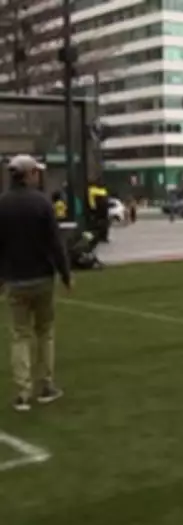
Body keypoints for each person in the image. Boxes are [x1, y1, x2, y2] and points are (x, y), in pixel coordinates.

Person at [0, 154, 72, 412]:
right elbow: (55, 244)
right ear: (29, 174)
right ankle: (46, 385)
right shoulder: (41, 203)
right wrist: (65, 274)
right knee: (45, 332)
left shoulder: (3, 204)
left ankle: (22, 391)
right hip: (41, 277)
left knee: (19, 335)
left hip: (14, 279)